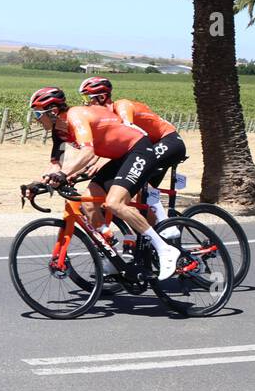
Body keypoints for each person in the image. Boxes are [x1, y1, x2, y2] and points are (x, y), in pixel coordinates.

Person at [29, 86, 183, 279]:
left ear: (52, 111)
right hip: (120, 158)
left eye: (38, 114)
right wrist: (36, 184)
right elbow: (55, 164)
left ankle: (165, 249)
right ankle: (115, 258)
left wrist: (64, 174)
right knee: (87, 203)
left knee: (114, 203)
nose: (36, 119)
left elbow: (88, 152)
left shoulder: (75, 116)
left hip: (139, 150)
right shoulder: (58, 132)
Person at [78, 76, 186, 223]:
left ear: (102, 97)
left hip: (169, 141)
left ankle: (163, 222)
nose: (85, 103)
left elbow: (133, 131)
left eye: (87, 98)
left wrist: (103, 161)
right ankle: (153, 230)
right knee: (133, 189)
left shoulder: (122, 106)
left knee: (135, 170)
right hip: (149, 146)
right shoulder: (107, 118)